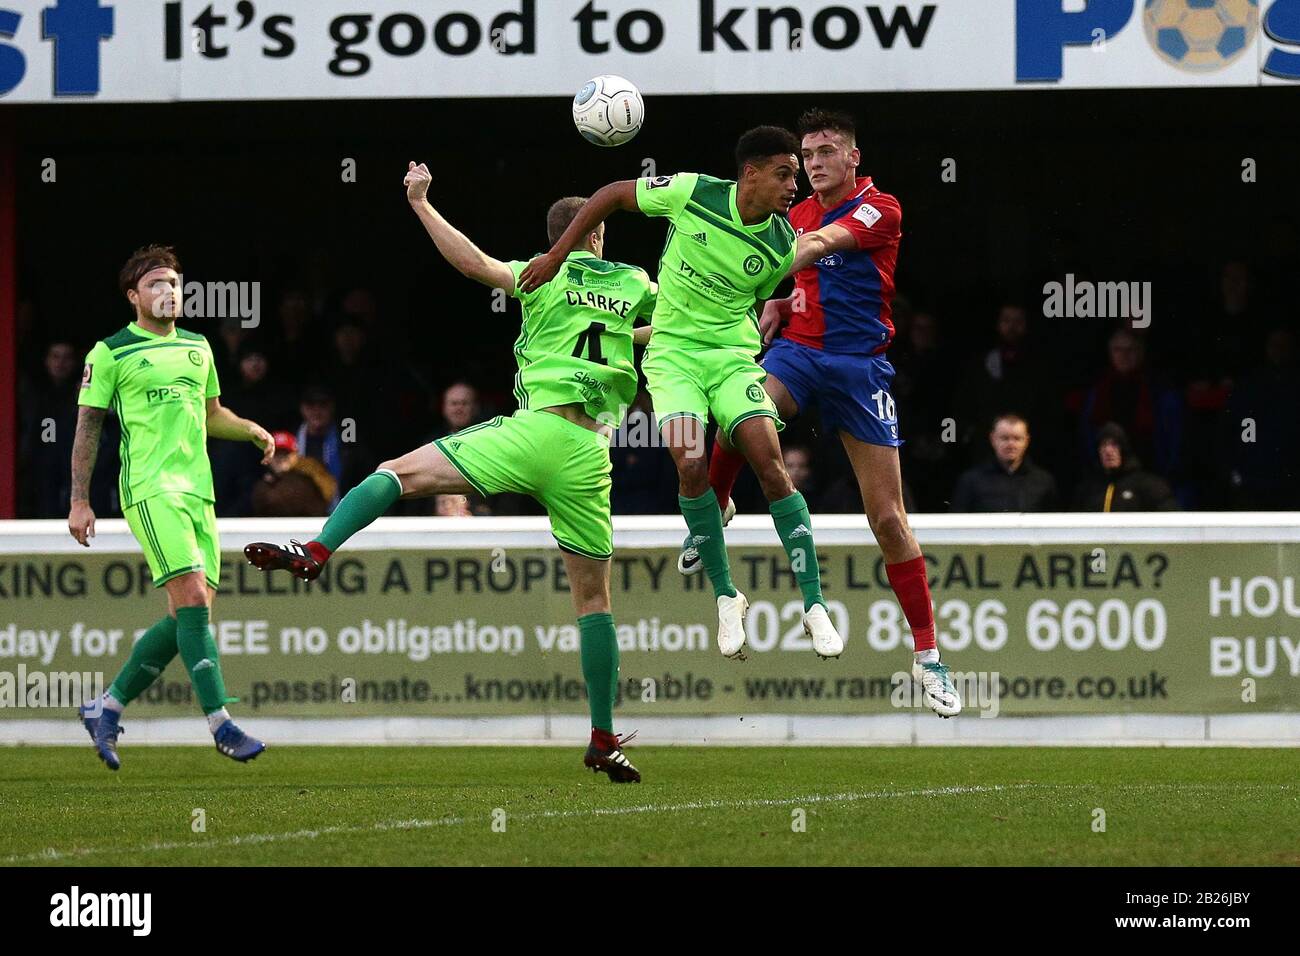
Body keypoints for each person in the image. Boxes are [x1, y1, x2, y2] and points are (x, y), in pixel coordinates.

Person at [242, 164, 656, 783]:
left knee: (396, 472)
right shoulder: (633, 281)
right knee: (594, 600)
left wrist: (421, 203)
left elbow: (472, 264)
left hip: (532, 430)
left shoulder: (539, 273)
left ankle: (318, 548)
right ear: (597, 234)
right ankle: (601, 737)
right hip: (587, 452)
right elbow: (669, 325)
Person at [668, 109, 959, 714]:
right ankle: (714, 510)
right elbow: (780, 271)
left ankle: (928, 657)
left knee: (888, 519)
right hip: (800, 354)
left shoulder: (881, 208)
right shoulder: (790, 212)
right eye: (807, 153)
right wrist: (775, 302)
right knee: (737, 419)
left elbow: (819, 246)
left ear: (853, 157)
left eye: (827, 150)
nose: (815, 162)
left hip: (859, 368)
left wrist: (758, 269)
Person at [521, 125, 845, 664]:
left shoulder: (780, 242)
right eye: (786, 173)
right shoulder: (693, 192)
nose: (796, 185)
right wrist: (557, 255)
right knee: (691, 465)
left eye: (797, 175)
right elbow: (610, 196)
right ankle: (726, 596)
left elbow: (747, 304)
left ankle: (813, 604)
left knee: (769, 462)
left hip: (729, 360)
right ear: (751, 173)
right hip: (672, 360)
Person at [68, 244, 275, 769]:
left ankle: (106, 708)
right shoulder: (110, 351)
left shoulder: (198, 347)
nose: (168, 292)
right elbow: (88, 425)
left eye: (175, 284)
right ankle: (221, 724)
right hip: (150, 489)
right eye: (156, 284)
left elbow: (212, 415)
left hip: (197, 492)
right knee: (190, 600)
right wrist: (79, 500)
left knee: (190, 611)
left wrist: (247, 428)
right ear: (134, 296)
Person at [951, 414, 1059, 513]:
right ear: (993, 439)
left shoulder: (1044, 481)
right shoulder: (970, 481)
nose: (1011, 444)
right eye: (1004, 438)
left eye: (1017, 438)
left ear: (1027, 441)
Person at [1073, 422, 1178, 511]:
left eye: (1114, 444)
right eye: (1103, 445)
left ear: (1124, 448)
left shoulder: (1147, 486)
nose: (1108, 451)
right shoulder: (1088, 490)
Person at [251, 431, 336, 517]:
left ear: (295, 455)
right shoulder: (265, 481)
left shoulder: (307, 479)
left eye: (285, 454)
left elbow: (277, 503)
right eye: (276, 454)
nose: (280, 458)